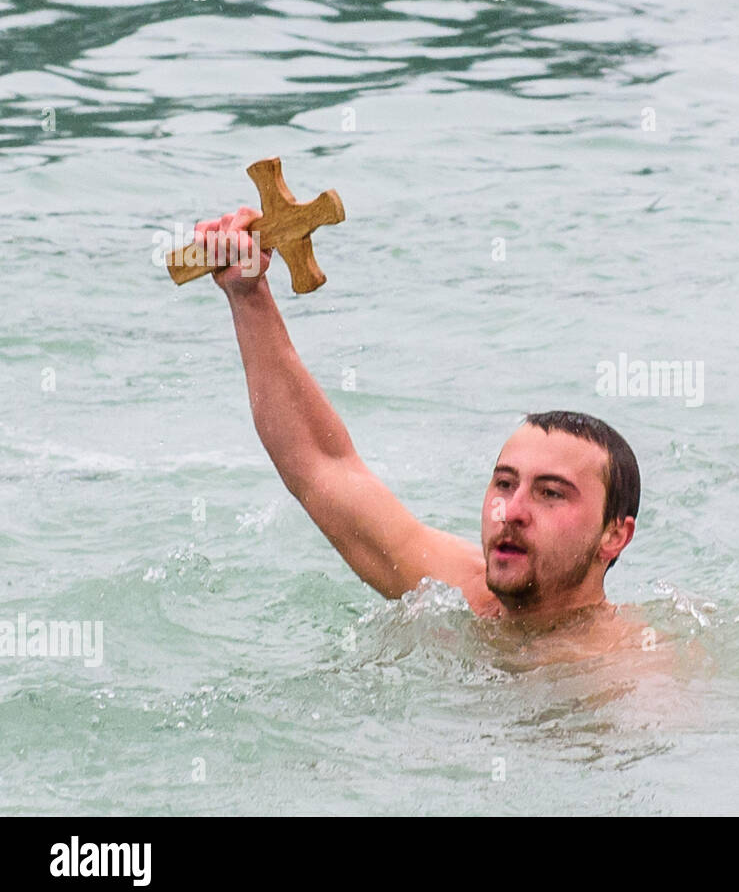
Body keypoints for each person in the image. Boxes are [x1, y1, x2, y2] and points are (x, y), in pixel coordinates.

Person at [196, 208, 645, 658]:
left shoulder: (629, 671)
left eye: (551, 493)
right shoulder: (458, 595)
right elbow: (320, 464)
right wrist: (248, 293)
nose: (511, 511)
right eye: (505, 483)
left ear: (614, 536)